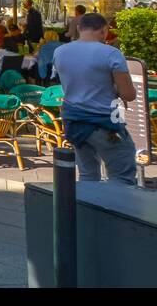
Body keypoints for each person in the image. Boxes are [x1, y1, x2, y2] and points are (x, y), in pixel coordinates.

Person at [53, 11, 137, 184]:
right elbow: (129, 94)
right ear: (104, 31)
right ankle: (115, 210)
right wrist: (114, 87)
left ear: (79, 28)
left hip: (74, 121)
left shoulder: (60, 52)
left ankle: (87, 210)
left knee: (87, 175)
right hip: (103, 121)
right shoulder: (111, 54)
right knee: (122, 175)